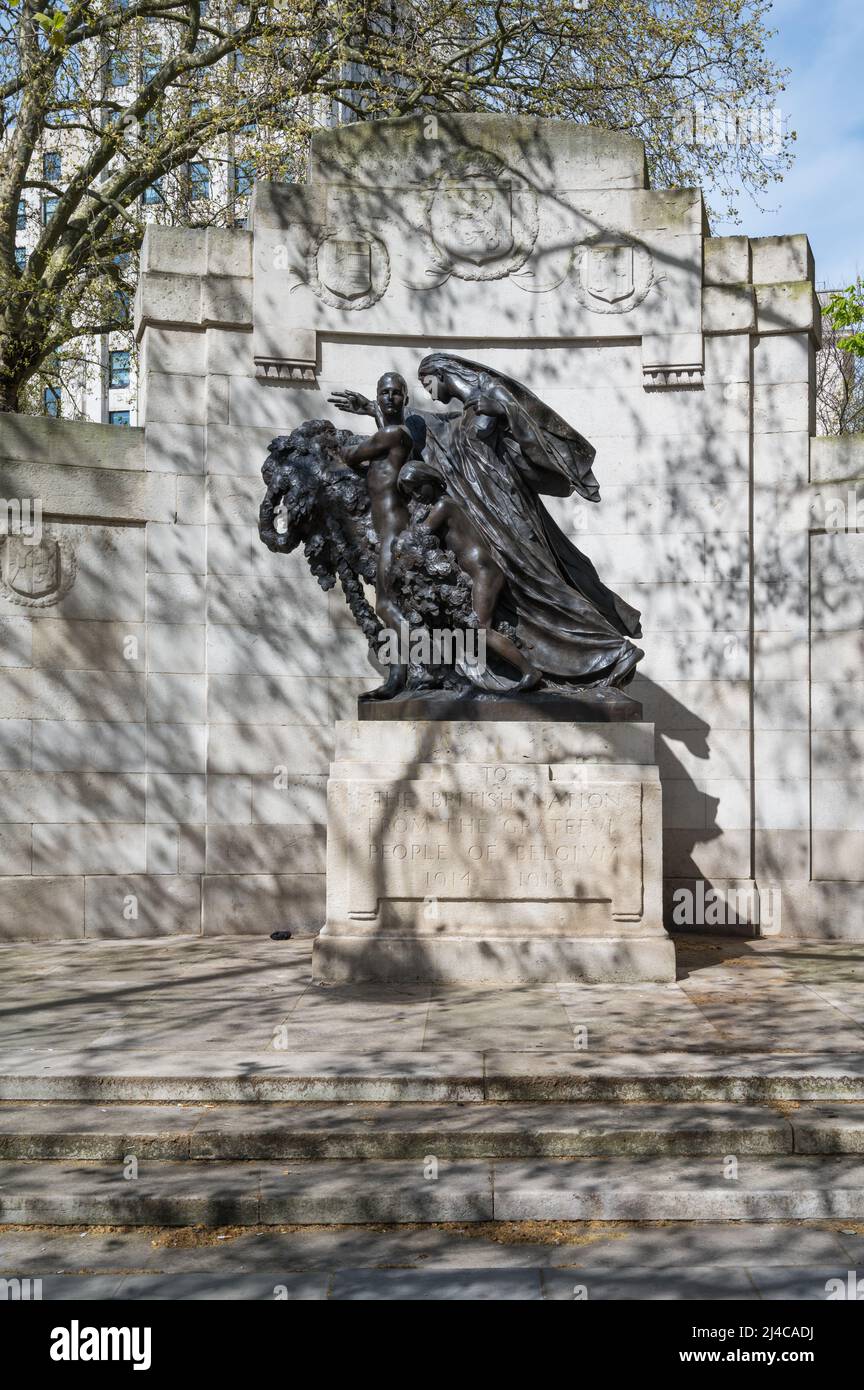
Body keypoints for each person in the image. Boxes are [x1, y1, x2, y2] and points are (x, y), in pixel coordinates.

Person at [415, 353, 644, 688]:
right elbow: (440, 429)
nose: (429, 393)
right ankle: (559, 661)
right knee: (521, 589)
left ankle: (613, 649)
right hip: (487, 513)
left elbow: (538, 428)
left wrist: (505, 413)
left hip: (511, 509)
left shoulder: (490, 390)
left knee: (541, 581)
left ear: (440, 372)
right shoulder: (462, 416)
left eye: (427, 384)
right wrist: (377, 410)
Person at [330, 372, 415, 697]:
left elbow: (351, 456)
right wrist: (368, 408)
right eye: (384, 393)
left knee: (385, 606)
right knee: (391, 604)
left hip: (394, 532)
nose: (390, 398)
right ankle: (408, 670)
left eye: (396, 393)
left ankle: (402, 673)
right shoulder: (393, 433)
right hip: (385, 531)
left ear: (405, 399)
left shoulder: (395, 434)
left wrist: (333, 444)